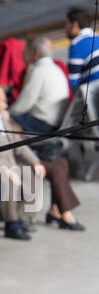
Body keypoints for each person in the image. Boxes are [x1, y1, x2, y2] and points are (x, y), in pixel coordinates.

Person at [6, 37, 86, 228]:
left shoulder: (40, 71)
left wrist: (6, 113)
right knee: (60, 165)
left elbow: (23, 105)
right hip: (56, 126)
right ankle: (59, 212)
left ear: (35, 53)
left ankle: (60, 213)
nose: (22, 55)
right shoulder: (56, 69)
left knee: (10, 120)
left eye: (25, 51)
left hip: (41, 127)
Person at [0, 87, 44, 240]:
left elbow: (19, 145)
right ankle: (11, 223)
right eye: (3, 101)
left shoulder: (3, 121)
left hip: (12, 163)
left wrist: (35, 162)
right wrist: (4, 170)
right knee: (9, 181)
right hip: (3, 168)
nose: (6, 105)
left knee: (31, 174)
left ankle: (21, 217)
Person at [64, 8, 99, 91]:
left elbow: (73, 83)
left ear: (75, 24)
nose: (65, 29)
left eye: (66, 24)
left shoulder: (76, 44)